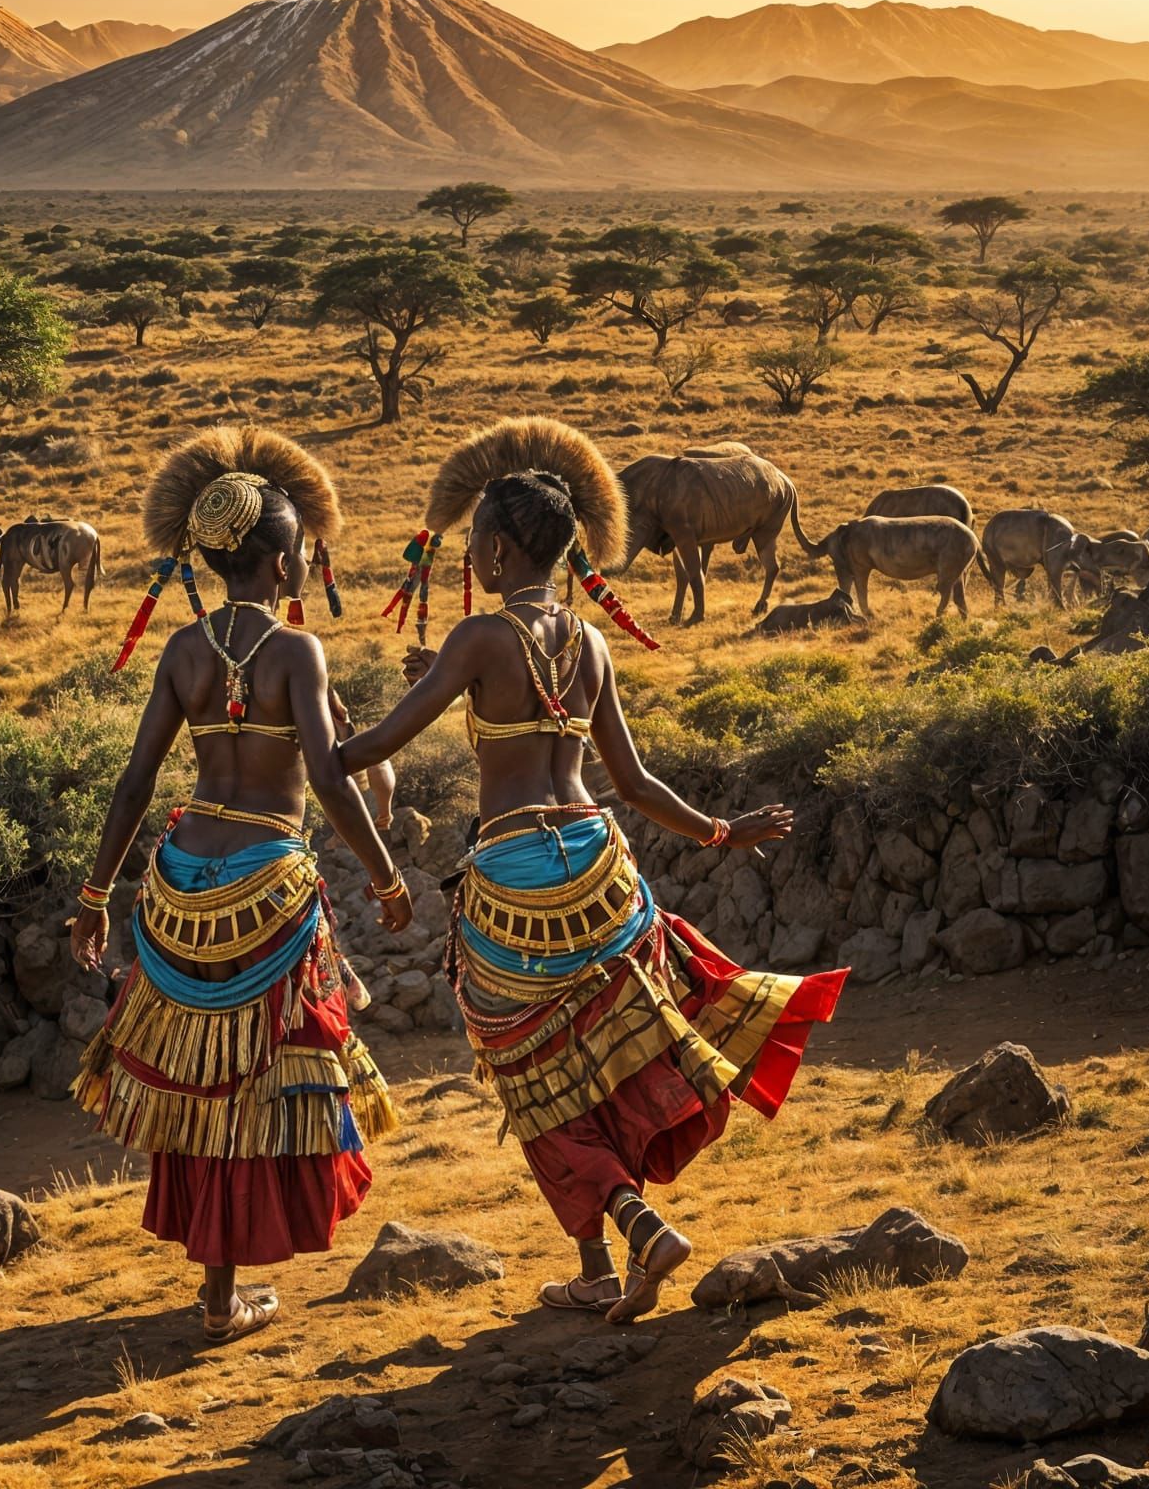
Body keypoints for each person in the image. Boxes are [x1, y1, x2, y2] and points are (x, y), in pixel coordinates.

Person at [339, 416, 846, 1324]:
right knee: (592, 1058)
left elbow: (378, 744)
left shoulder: (480, 636)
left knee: (531, 1073)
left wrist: (307, 729)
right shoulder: (591, 640)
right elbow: (636, 781)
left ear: (495, 550)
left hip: (516, 879)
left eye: (474, 544)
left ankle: (629, 1230)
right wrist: (723, 831)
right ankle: (595, 1272)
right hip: (603, 867)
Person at [70, 425, 411, 1345]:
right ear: (277, 562)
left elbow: (137, 782)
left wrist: (97, 895)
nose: (306, 563)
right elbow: (332, 780)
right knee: (256, 1076)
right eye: (299, 550)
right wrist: (383, 873)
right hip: (265, 887)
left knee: (200, 1079)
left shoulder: (183, 650)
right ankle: (231, 1292)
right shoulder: (296, 651)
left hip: (178, 888)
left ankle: (217, 1296)